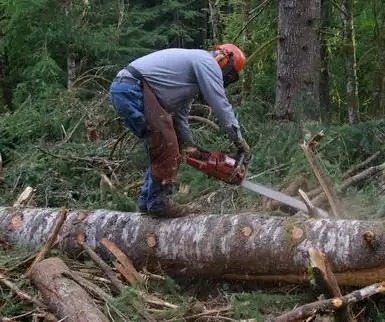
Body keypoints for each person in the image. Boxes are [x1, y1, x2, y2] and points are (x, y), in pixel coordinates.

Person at [109, 44, 251, 218]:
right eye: (229, 74)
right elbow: (220, 104)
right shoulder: (207, 62)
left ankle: (147, 200)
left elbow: (180, 118)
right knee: (165, 144)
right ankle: (157, 202)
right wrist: (238, 139)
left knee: (161, 144)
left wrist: (190, 146)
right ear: (224, 60)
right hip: (133, 89)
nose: (225, 79)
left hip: (126, 88)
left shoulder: (187, 80)